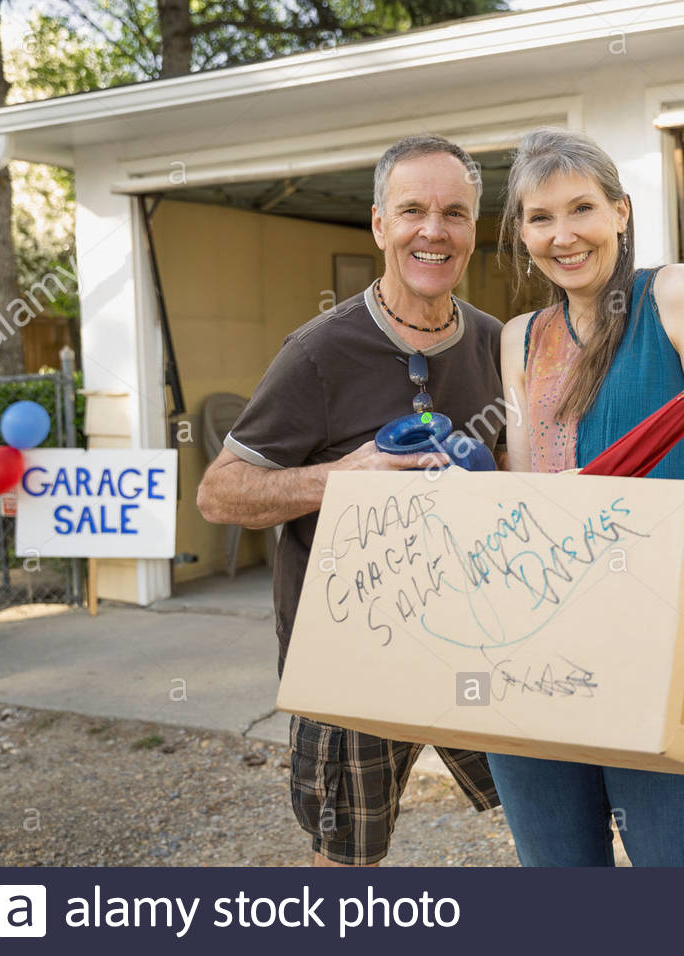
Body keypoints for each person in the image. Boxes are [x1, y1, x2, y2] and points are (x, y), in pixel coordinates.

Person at [196, 134, 506, 867]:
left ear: (472, 231)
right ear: (378, 224)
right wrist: (341, 477)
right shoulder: (318, 352)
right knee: (348, 858)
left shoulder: (500, 344)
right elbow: (219, 493)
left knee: (550, 811)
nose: (434, 230)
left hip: (478, 642)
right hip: (351, 657)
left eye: (454, 213)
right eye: (413, 211)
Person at [491, 127, 684, 867]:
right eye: (540, 217)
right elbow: (531, 501)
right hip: (544, 653)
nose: (563, 235)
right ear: (521, 232)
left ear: (621, 212)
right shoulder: (521, 338)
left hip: (666, 647)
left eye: (581, 208)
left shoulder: (676, 295)